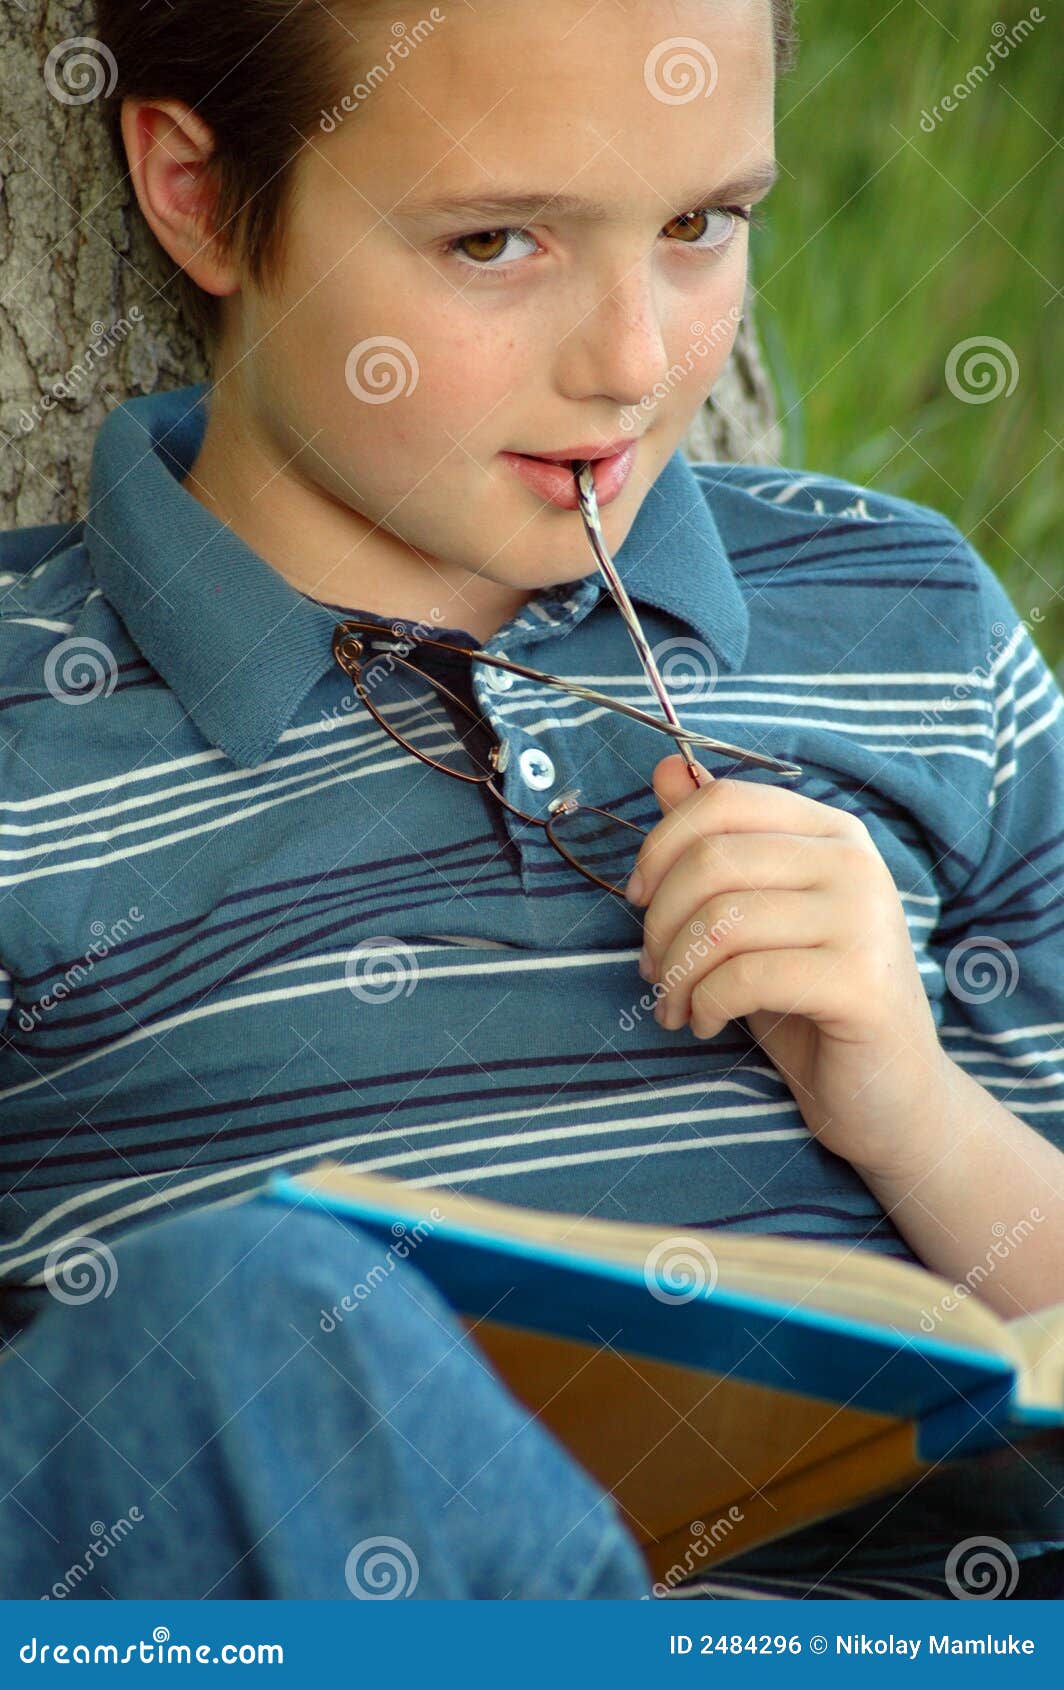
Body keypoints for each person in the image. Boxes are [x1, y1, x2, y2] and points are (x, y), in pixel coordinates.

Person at [0, 0, 1060, 1600]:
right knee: (250, 1330)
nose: (633, 364)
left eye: (703, 225)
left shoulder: (905, 616)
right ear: (197, 192)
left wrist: (912, 1107)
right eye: (497, 241)